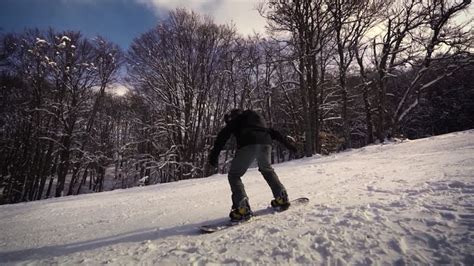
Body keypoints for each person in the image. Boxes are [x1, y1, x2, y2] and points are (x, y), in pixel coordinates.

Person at [208, 109, 297, 222]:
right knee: (267, 170)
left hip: (249, 143)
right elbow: (274, 133)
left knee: (234, 175)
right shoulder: (256, 121)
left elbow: (223, 135)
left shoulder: (237, 119)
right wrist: (290, 146)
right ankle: (281, 197)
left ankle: (242, 208)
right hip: (266, 143)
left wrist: (214, 155)